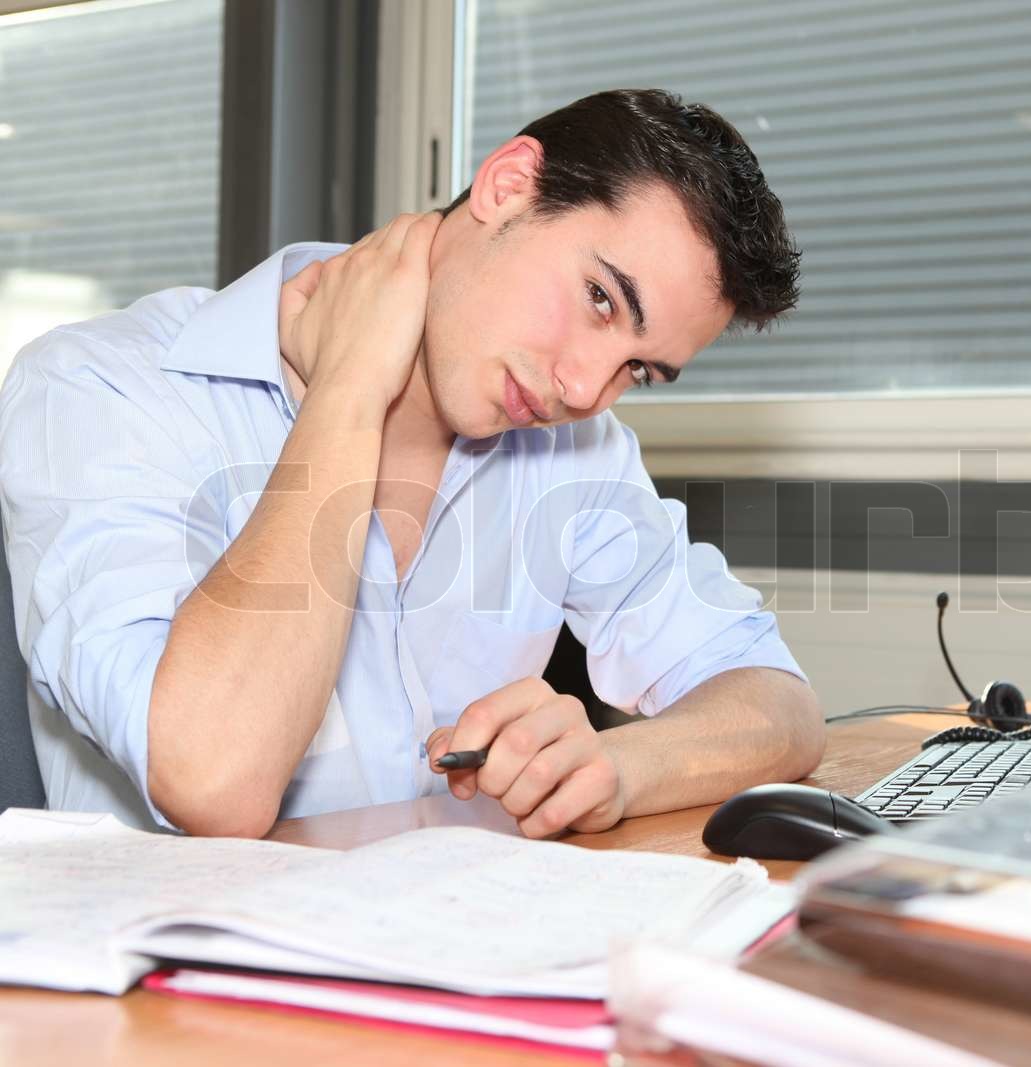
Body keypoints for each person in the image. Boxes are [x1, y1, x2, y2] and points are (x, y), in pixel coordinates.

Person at [0, 89, 824, 839]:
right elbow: (212, 780)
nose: (585, 386)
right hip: (168, 992)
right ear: (507, 186)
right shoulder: (99, 386)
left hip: (444, 960)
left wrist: (618, 765)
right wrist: (351, 387)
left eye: (638, 369)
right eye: (599, 299)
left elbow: (778, 703)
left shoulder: (572, 446)